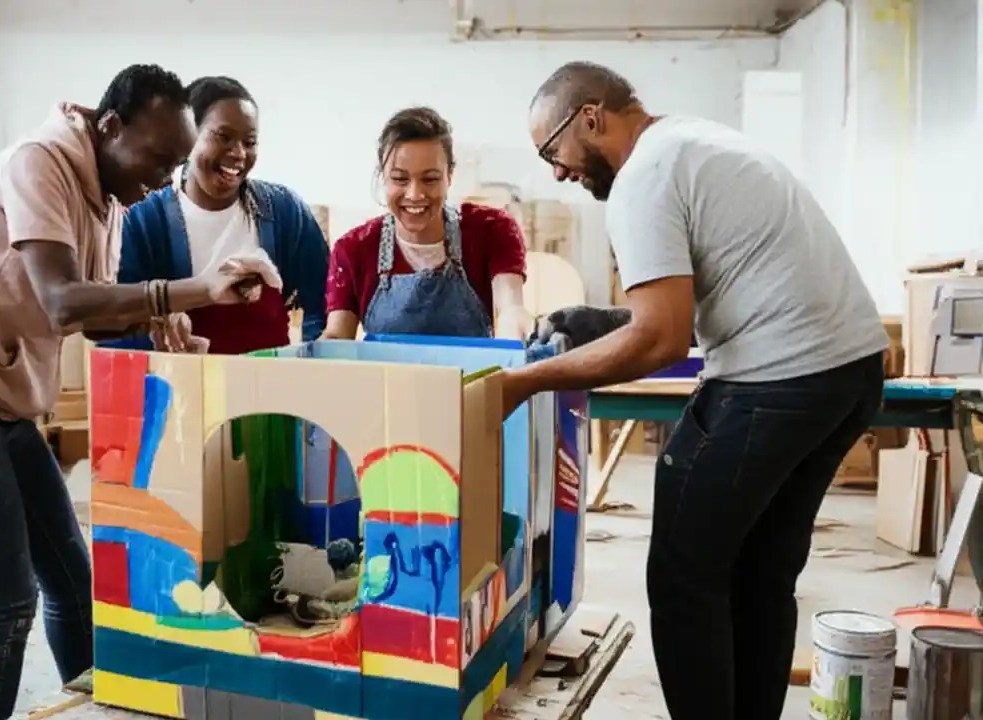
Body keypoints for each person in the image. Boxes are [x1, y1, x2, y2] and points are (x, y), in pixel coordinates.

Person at [0, 64, 273, 720]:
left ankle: (98, 708)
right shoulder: (41, 163)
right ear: (111, 127)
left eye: (176, 164)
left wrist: (156, 318)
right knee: (6, 605)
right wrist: (194, 290)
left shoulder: (111, 195)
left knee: (73, 583)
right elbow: (61, 300)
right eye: (158, 159)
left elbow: (92, 311)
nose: (163, 181)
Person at [500, 61, 888, 720]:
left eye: (552, 150)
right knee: (760, 575)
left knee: (684, 579)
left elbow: (660, 341)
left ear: (591, 116)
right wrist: (597, 325)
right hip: (848, 373)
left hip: (778, 379)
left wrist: (525, 382)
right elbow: (683, 308)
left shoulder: (644, 178)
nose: (556, 171)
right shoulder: (694, 142)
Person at [116, 76, 328, 354]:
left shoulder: (286, 211)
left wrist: (314, 363)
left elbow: (324, 305)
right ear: (188, 138)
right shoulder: (142, 221)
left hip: (270, 388)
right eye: (223, 137)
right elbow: (117, 330)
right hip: (179, 389)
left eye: (249, 142)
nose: (239, 154)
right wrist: (158, 336)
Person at [321, 106, 530, 341]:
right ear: (383, 177)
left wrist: (515, 344)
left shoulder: (492, 230)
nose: (414, 194)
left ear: (450, 175)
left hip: (470, 378)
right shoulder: (354, 249)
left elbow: (510, 311)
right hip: (389, 378)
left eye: (430, 179)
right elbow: (337, 339)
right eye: (399, 179)